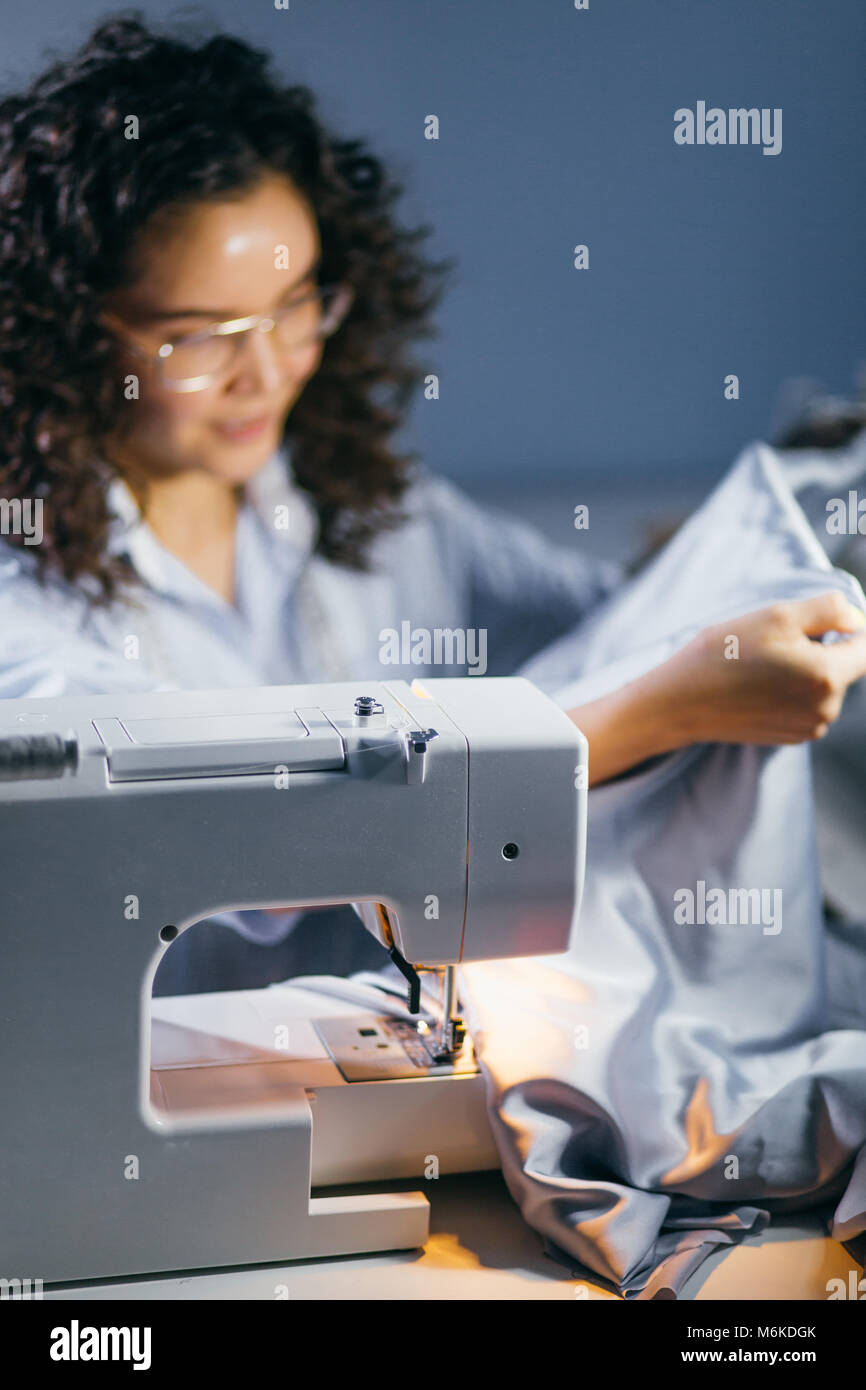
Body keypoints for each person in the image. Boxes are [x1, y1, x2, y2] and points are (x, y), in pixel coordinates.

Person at [2, 16, 865, 990]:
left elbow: (608, 617)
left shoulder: (370, 509)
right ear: (60, 324)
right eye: (201, 336)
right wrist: (663, 709)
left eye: (297, 309)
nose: (269, 372)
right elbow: (252, 840)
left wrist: (746, 545)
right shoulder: (20, 608)